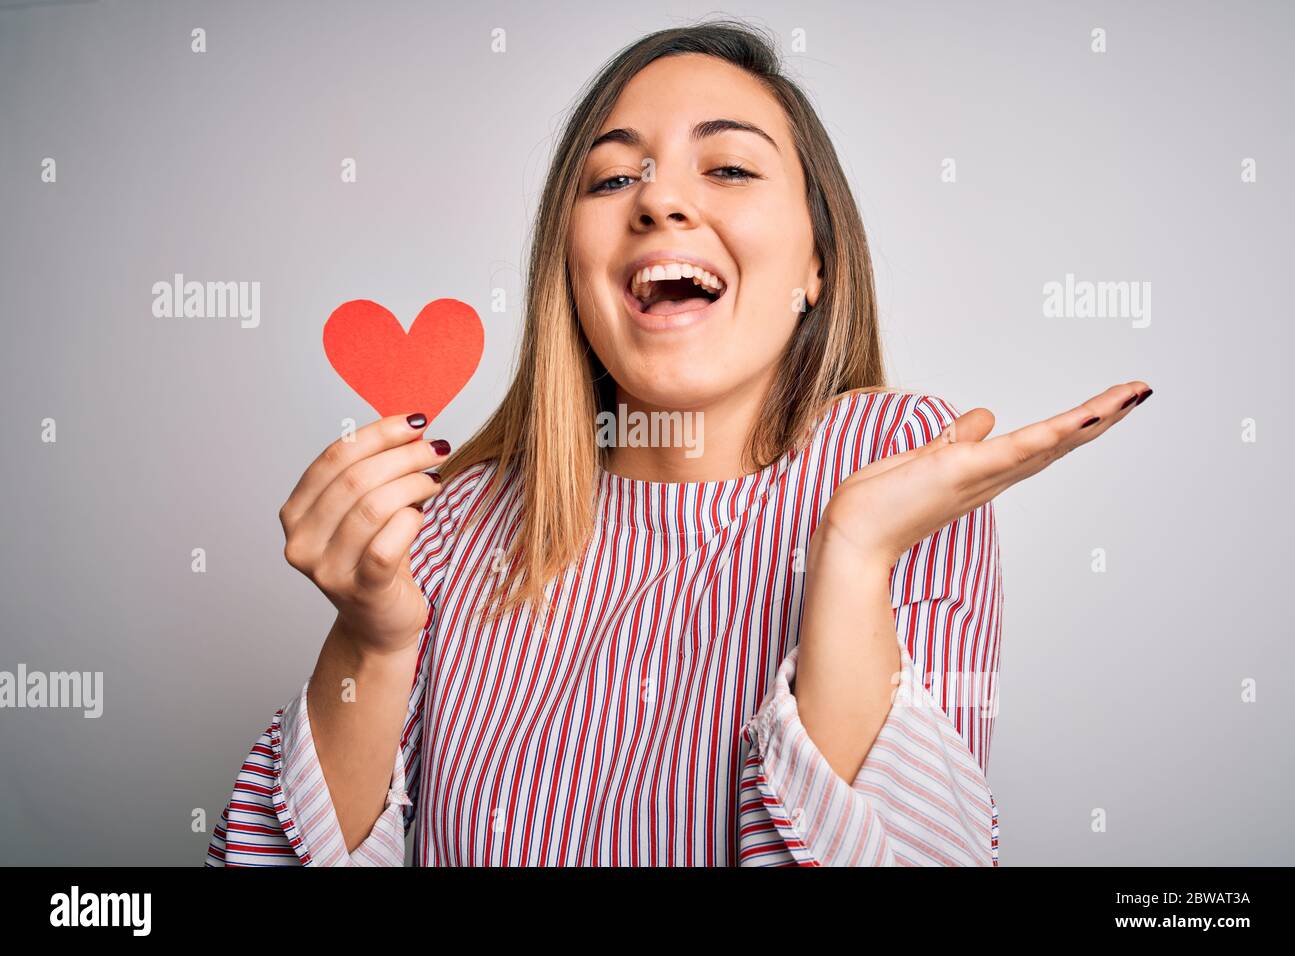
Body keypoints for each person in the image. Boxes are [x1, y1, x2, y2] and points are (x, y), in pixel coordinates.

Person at [206, 20, 1150, 867]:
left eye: (729, 168)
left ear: (817, 262)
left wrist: (853, 555)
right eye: (614, 178)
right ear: (568, 266)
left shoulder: (895, 459)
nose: (659, 203)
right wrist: (371, 641)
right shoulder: (459, 514)